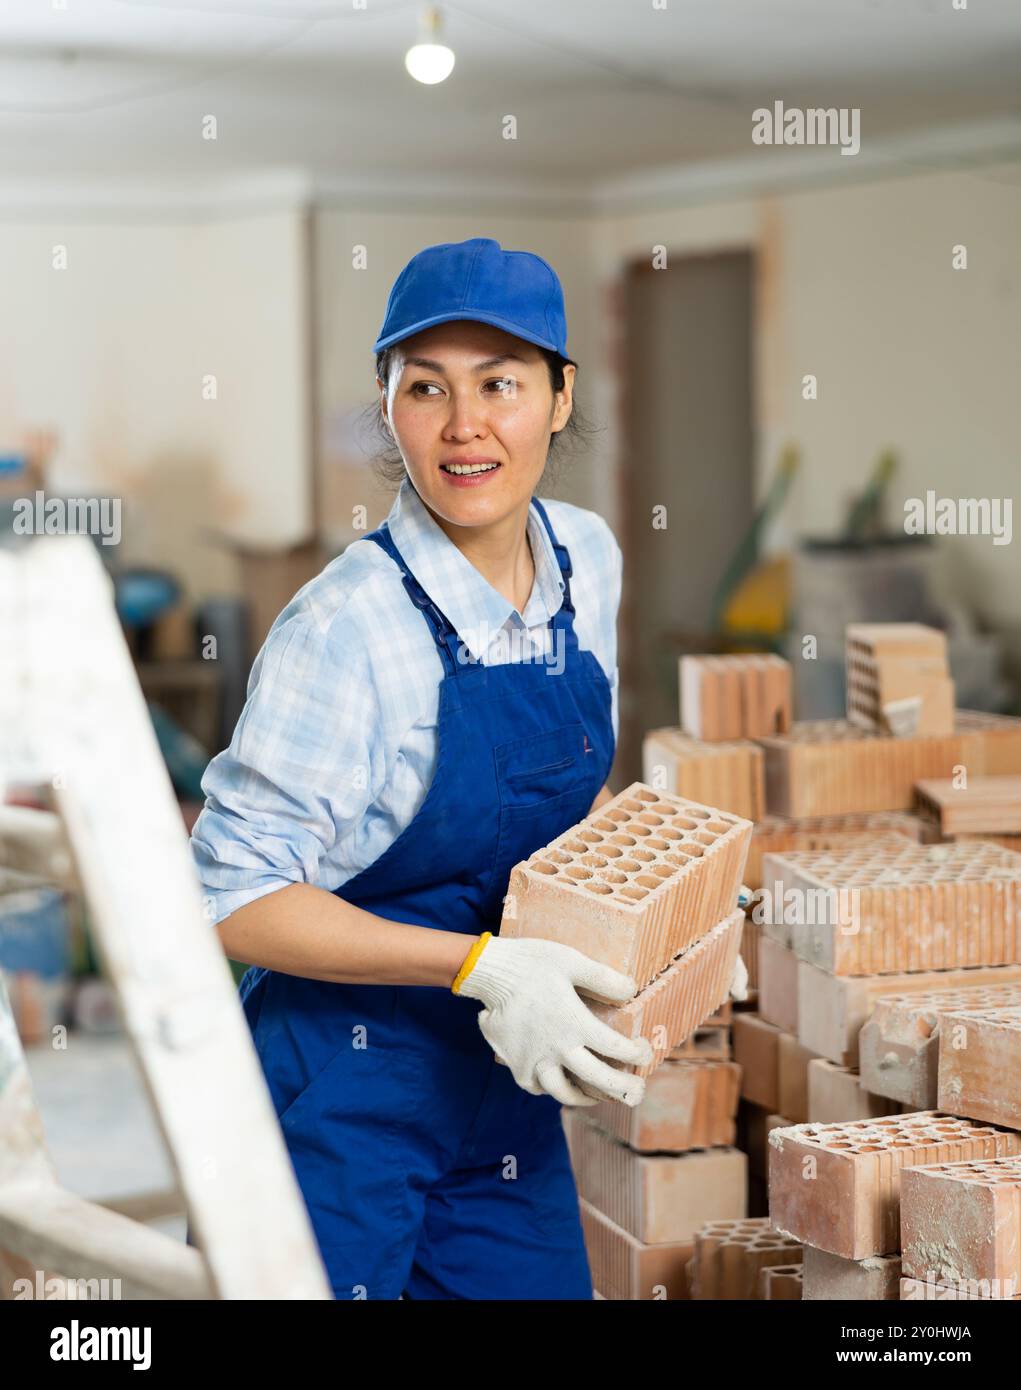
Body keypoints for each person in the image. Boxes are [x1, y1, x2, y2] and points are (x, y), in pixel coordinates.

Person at [189, 237, 658, 1300]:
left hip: (500, 1090)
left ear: (558, 394)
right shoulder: (347, 630)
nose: (464, 426)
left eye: (500, 383)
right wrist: (480, 966)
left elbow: (573, 801)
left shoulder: (587, 559)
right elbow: (227, 896)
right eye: (425, 387)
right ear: (388, 403)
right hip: (338, 1095)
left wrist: (668, 922)